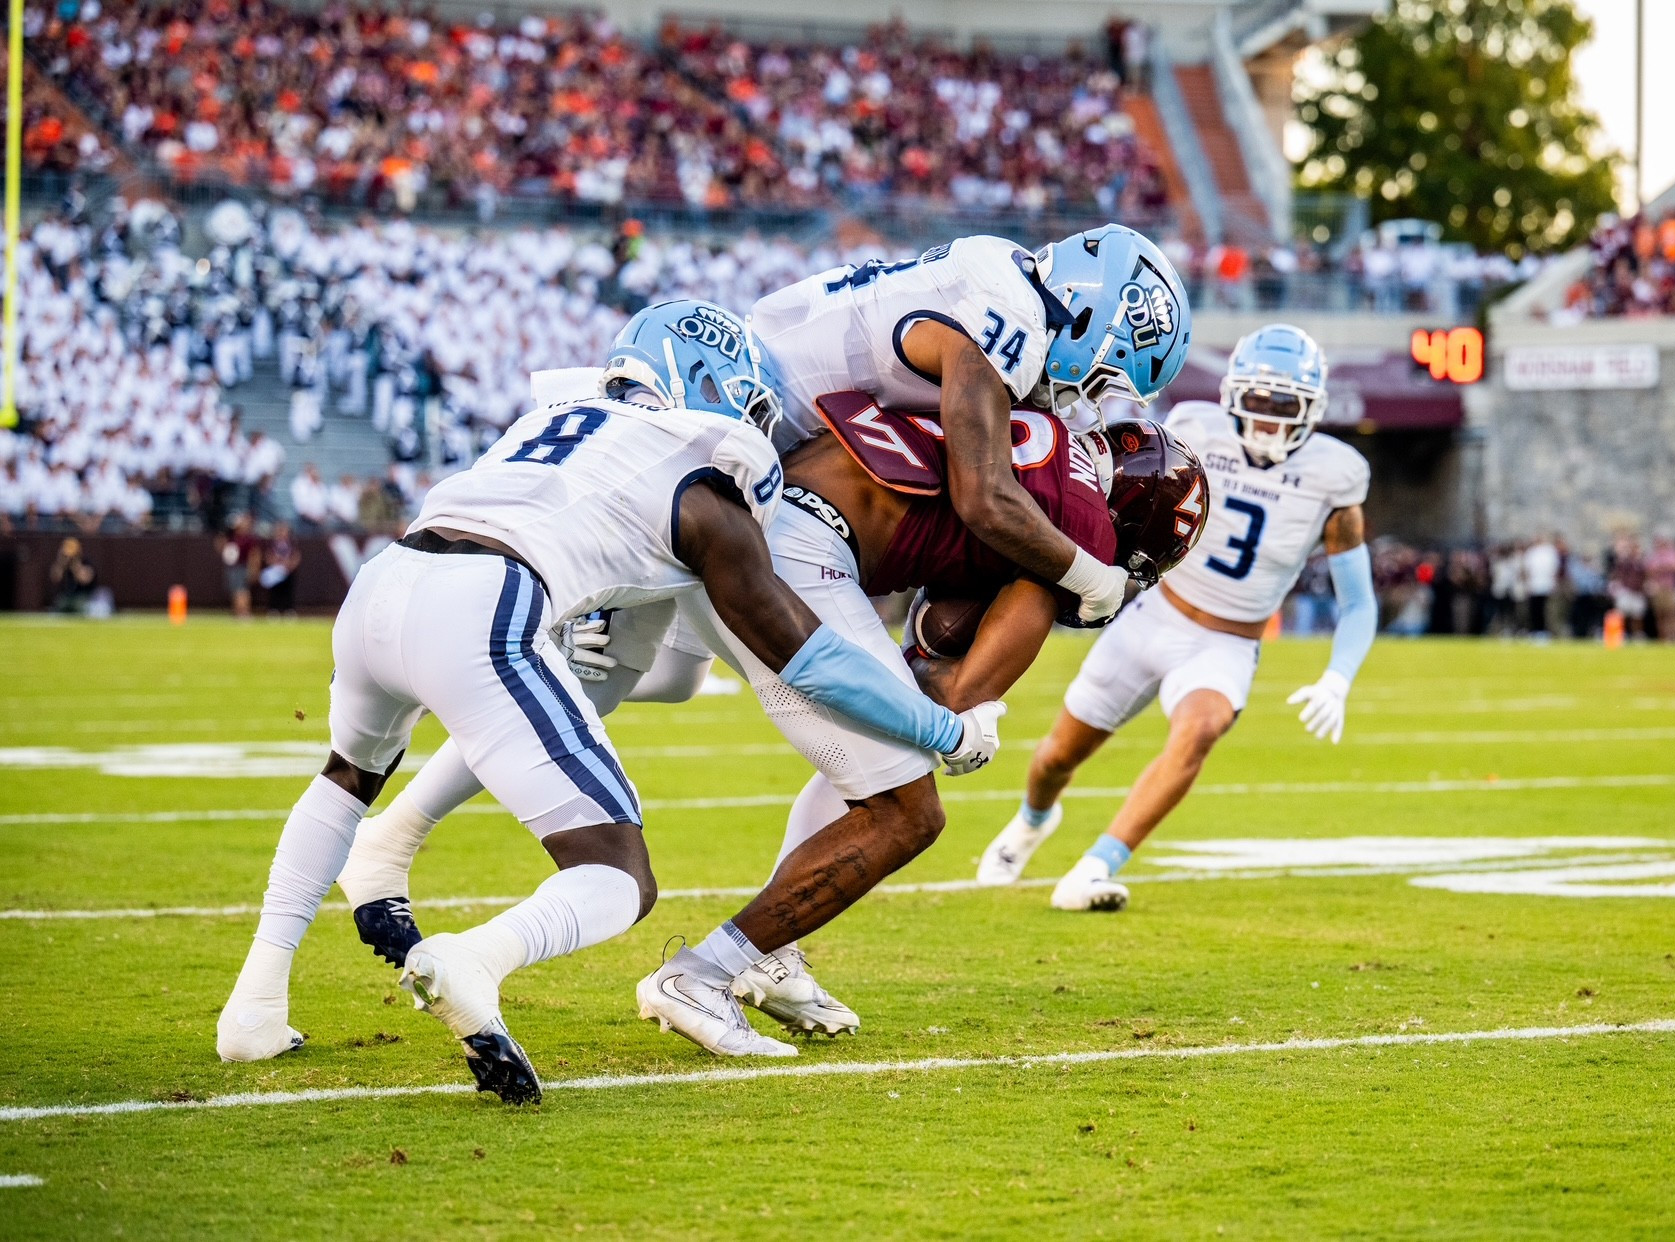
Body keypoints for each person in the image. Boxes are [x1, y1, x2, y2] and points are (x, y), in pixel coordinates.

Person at [214, 301, 1001, 1101]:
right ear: (713, 385)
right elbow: (810, 659)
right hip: (485, 605)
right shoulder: (706, 479)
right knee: (618, 877)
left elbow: (654, 651)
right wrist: (941, 728)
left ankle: (255, 1006)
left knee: (344, 779)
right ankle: (476, 958)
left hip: (384, 584)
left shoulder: (551, 418)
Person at [339, 398, 1207, 1050]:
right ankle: (703, 973)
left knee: (656, 693)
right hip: (795, 555)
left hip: (743, 512)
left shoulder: (1032, 424)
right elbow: (949, 702)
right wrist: (968, 712)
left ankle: (766, 952)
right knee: (907, 807)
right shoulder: (1081, 524)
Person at [979, 324, 1378, 910]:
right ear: (1233, 395)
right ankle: (1033, 821)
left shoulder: (1335, 473)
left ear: (1311, 410)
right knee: (1057, 757)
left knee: (1200, 730)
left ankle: (1094, 868)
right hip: (1156, 615)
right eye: (1258, 401)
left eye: (1284, 406)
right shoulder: (1194, 427)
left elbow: (1359, 600)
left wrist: (1338, 678)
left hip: (1228, 644)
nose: (1268, 419)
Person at [748, 224, 1190, 631]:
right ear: (1090, 325)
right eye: (1101, 381)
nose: (1087, 400)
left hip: (765, 387)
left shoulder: (1007, 269)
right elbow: (984, 499)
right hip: (753, 410)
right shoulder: (1017, 324)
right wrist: (1095, 580)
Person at [217, 512, 259, 618]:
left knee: (242, 590)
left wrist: (253, 569)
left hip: (243, 566)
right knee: (235, 591)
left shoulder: (249, 538)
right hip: (233, 567)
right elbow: (220, 545)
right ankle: (237, 612)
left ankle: (244, 612)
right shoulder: (232, 537)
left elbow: (254, 554)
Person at [260, 522, 301, 617]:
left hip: (288, 571)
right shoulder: (272, 544)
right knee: (275, 591)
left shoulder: (292, 543)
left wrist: (290, 566)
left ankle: (288, 609)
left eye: (284, 531)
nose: (282, 533)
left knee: (288, 591)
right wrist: (275, 563)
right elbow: (268, 556)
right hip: (275, 571)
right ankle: (273, 609)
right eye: (280, 531)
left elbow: (296, 556)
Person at [49, 537, 98, 614]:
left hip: (84, 596)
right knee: (61, 604)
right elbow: (55, 578)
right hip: (68, 596)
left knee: (79, 606)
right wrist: (61, 563)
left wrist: (75, 566)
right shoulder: (64, 564)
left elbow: (85, 580)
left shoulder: (86, 562)